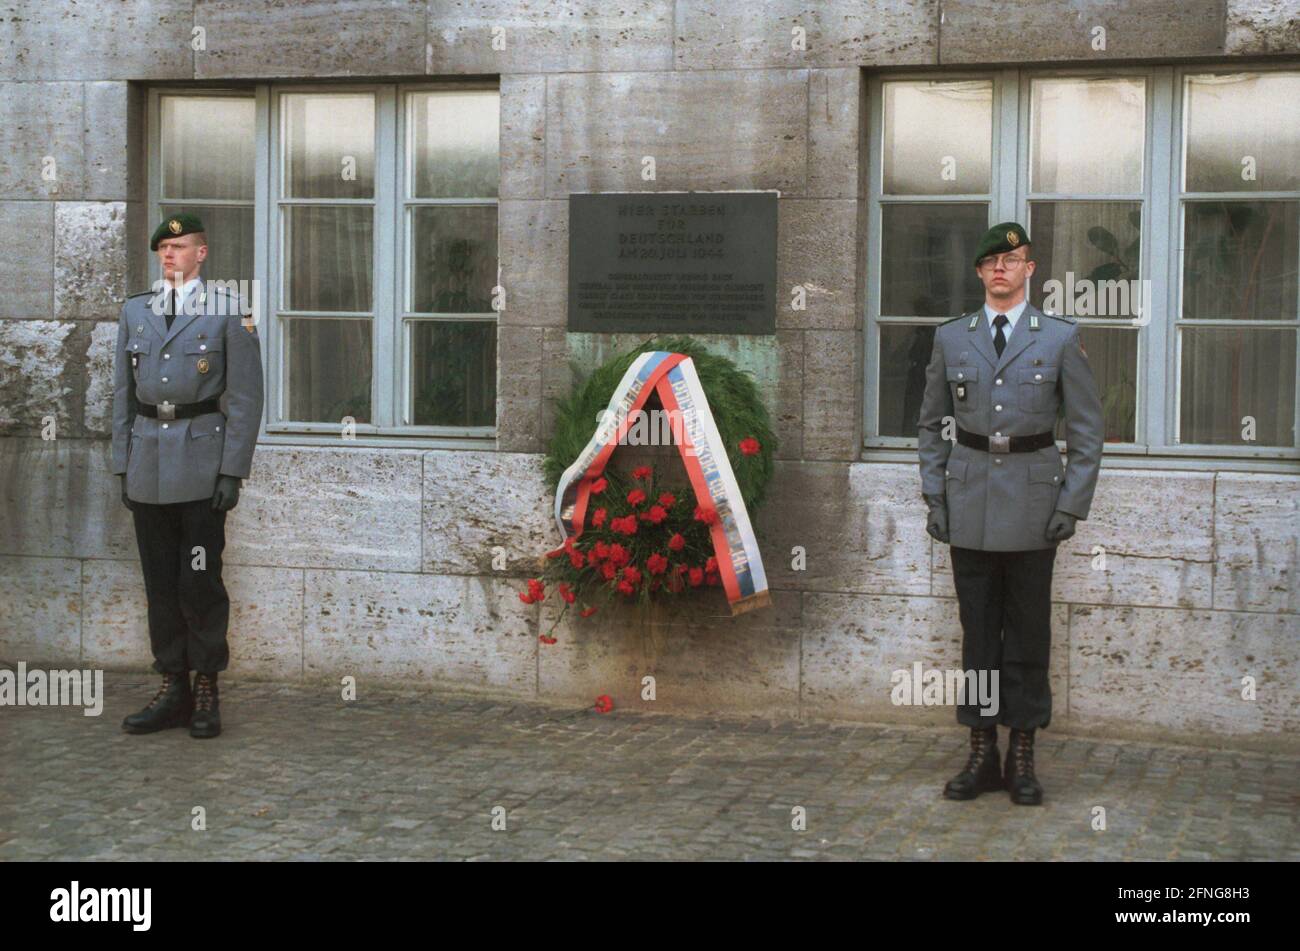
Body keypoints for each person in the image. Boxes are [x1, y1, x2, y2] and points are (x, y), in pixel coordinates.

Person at [917, 222, 1103, 805]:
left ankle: (1022, 751)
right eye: (991, 260)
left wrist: (1070, 502)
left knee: (1026, 632)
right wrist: (936, 495)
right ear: (979, 273)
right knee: (977, 633)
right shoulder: (952, 339)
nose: (1001, 268)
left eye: (1012, 259)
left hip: (1032, 501)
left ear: (1030, 269)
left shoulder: (1058, 338)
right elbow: (929, 425)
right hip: (969, 501)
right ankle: (981, 751)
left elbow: (1086, 431)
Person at [110, 213, 264, 739]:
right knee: (158, 584)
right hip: (147, 463)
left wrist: (232, 471)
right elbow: (122, 396)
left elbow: (245, 399)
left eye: (178, 247)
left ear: (202, 253)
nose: (168, 255)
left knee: (198, 580)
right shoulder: (136, 311)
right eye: (163, 249)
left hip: (201, 464)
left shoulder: (229, 313)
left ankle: (206, 688)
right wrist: (121, 464)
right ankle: (172, 684)